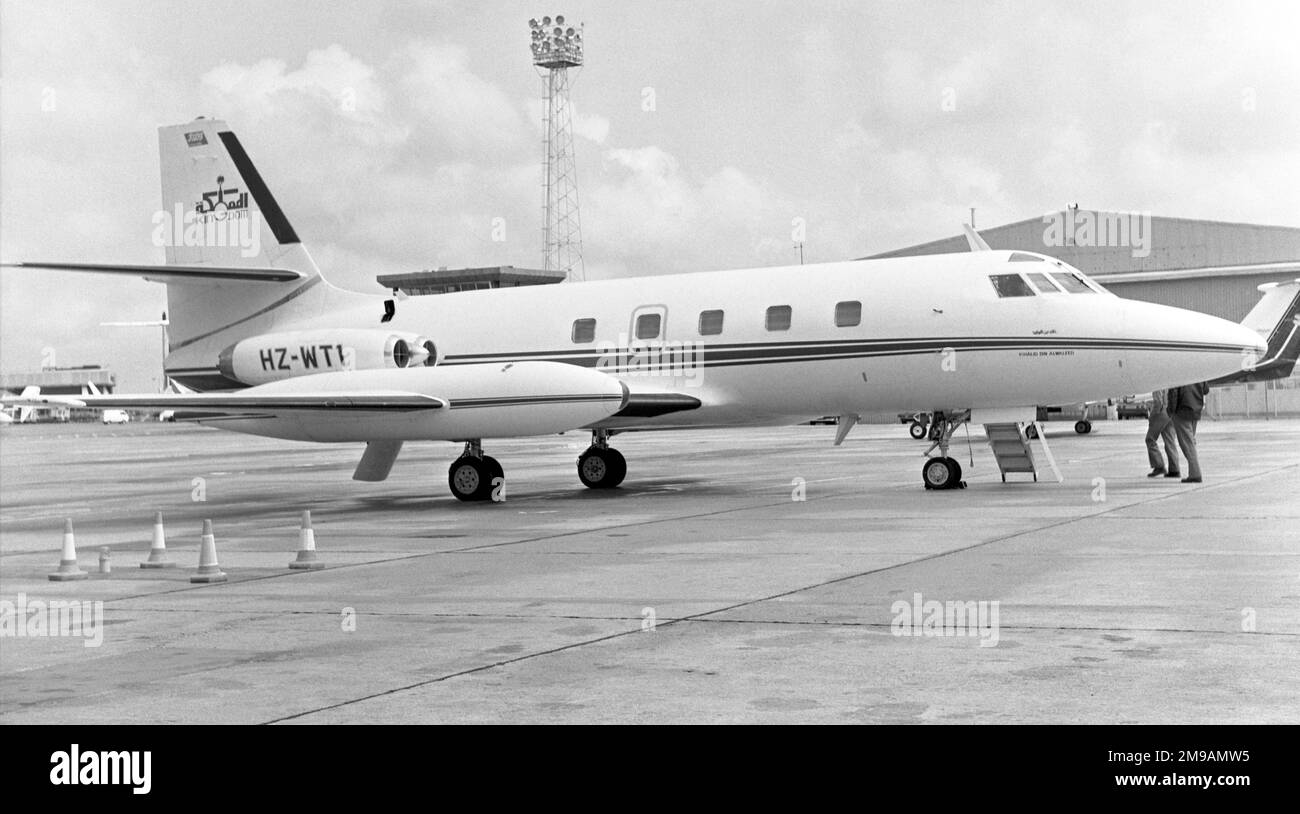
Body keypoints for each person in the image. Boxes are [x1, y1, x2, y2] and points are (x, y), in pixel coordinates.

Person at [1168, 382, 1210, 483]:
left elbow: (1173, 393)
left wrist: (1170, 411)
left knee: (1187, 444)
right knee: (1190, 441)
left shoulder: (1179, 375)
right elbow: (1206, 390)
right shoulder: (1198, 374)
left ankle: (1195, 474)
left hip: (1182, 410)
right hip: (1195, 410)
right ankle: (1194, 472)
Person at [1144, 389, 1180, 478]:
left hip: (1161, 411)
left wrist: (1152, 416)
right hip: (1171, 411)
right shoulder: (1169, 382)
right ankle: (1174, 469)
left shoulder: (1158, 383)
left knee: (1150, 439)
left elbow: (1158, 402)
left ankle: (1159, 466)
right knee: (1170, 441)